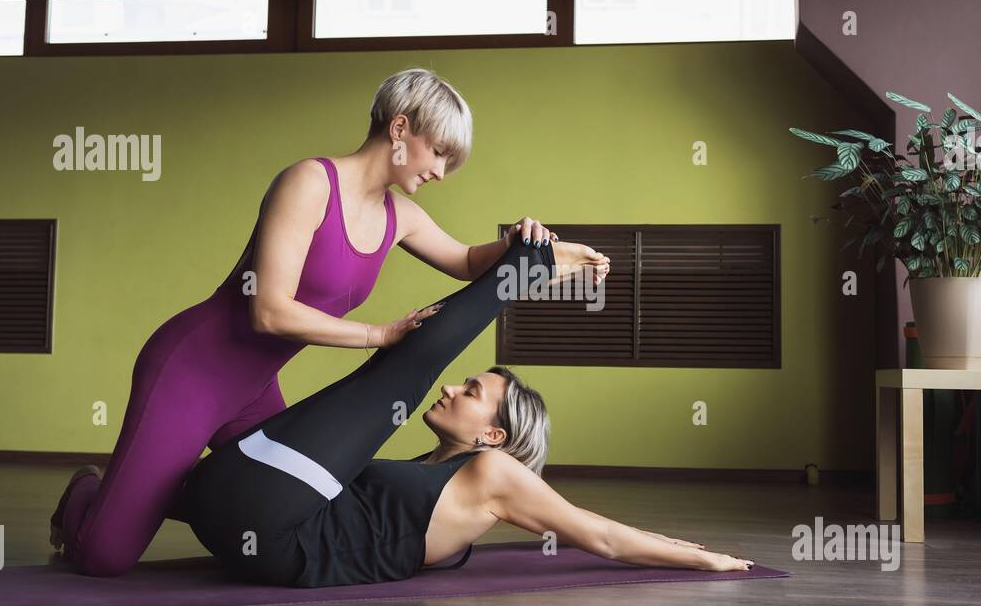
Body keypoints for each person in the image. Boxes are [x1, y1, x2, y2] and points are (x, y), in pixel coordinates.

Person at [51, 67, 566, 576]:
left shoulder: (398, 215)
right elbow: (269, 311)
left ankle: (139, 492)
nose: (440, 171)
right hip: (192, 370)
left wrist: (525, 240)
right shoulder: (309, 183)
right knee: (105, 558)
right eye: (439, 152)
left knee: (278, 493)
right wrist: (377, 335)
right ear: (401, 129)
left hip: (252, 386)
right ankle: (89, 493)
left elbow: (469, 261)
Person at [176, 234, 754, 587]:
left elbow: (596, 534)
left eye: (472, 393)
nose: (452, 390)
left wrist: (697, 559)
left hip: (274, 537)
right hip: (234, 509)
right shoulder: (436, 469)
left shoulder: (494, 475)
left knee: (394, 372)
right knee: (347, 381)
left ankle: (528, 267)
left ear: (494, 436)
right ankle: (100, 506)